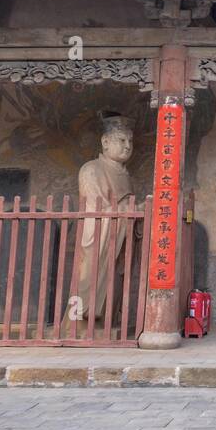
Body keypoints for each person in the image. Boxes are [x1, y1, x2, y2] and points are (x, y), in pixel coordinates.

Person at [74, 112, 137, 327]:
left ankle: (111, 318)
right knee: (90, 274)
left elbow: (124, 208)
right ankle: (82, 321)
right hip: (100, 236)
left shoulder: (125, 174)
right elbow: (98, 209)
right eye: (121, 140)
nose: (127, 146)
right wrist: (130, 209)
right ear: (105, 142)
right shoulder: (92, 169)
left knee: (117, 276)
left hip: (121, 236)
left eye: (130, 141)